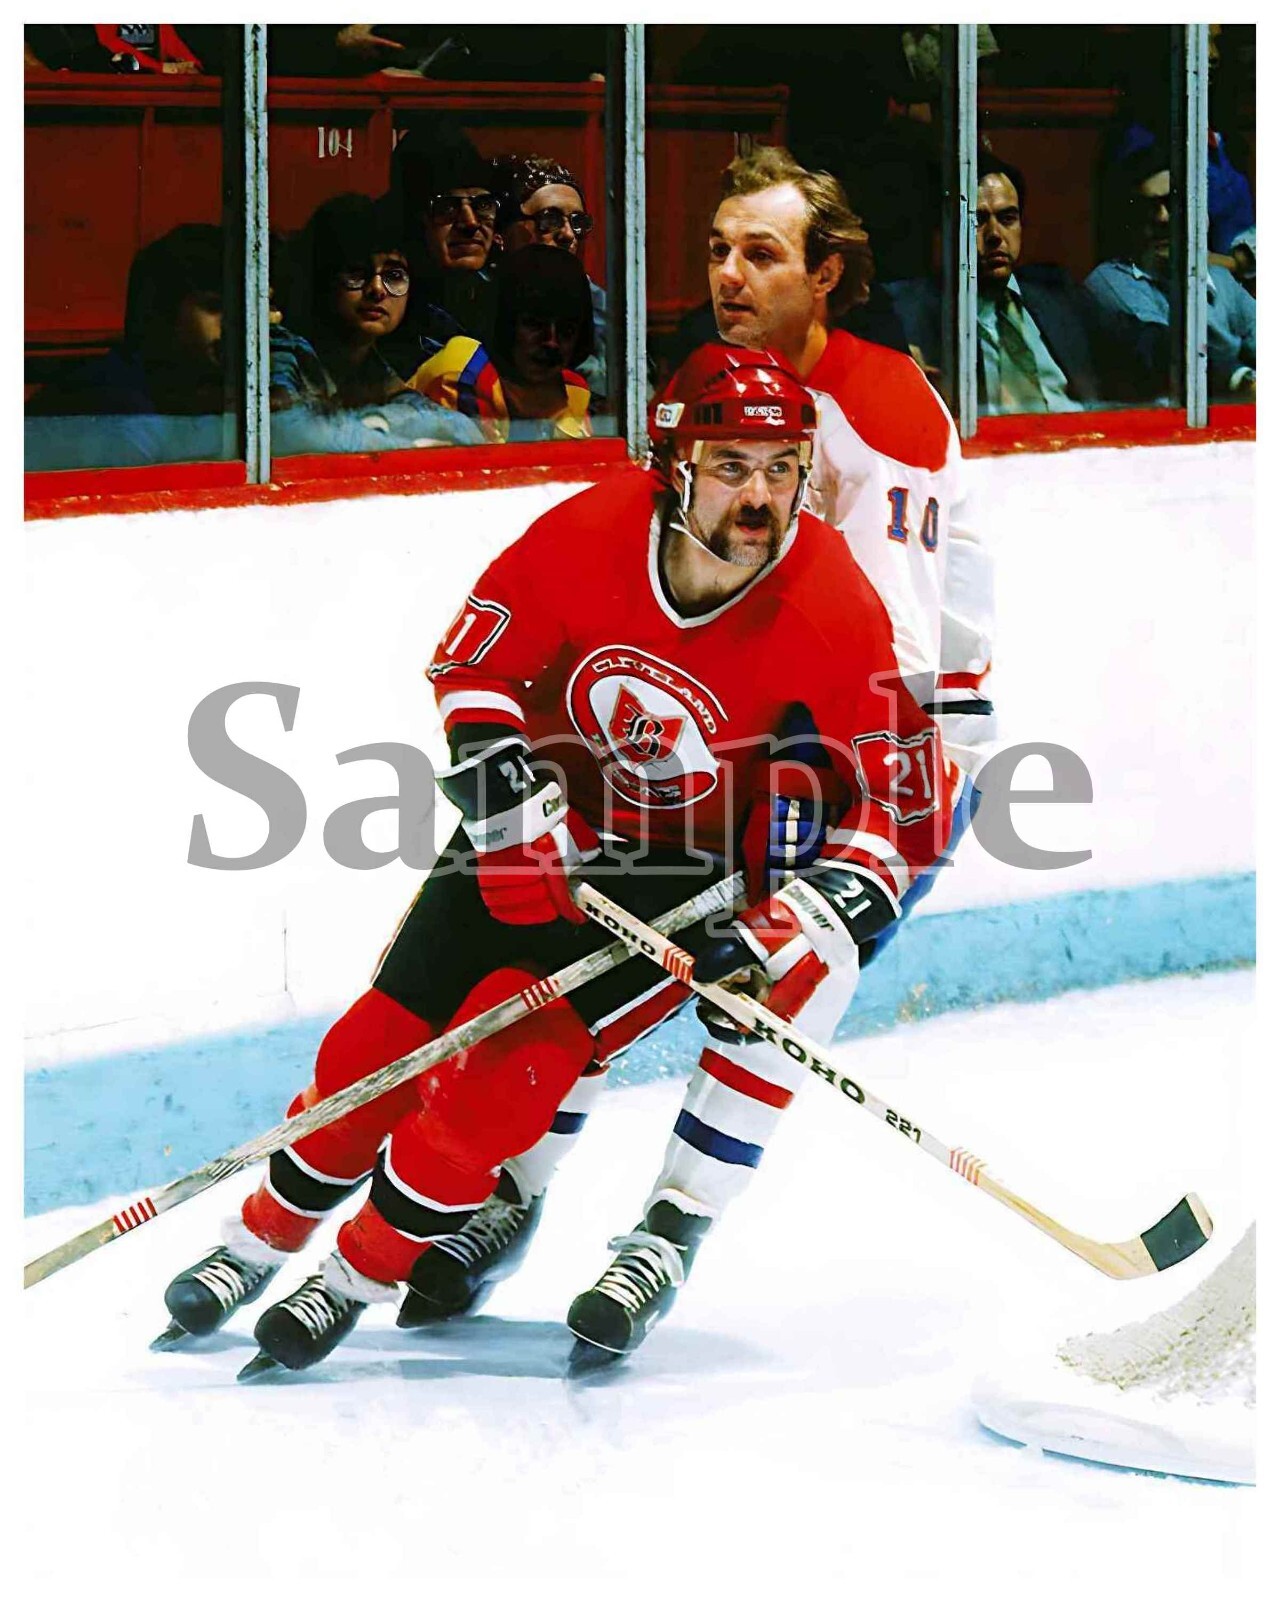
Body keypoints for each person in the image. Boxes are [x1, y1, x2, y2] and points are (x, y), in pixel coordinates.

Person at [155, 346, 949, 1372]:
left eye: (781, 467)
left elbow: (905, 798)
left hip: (678, 875)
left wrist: (787, 917)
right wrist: (502, 800)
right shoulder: (589, 531)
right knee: (368, 1055)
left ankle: (354, 1273)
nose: (759, 496)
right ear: (673, 463)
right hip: (533, 827)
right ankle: (253, 1241)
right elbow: (471, 661)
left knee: (505, 1086)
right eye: (730, 465)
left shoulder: (831, 602)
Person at [399, 145, 993, 1331]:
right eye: (717, 247)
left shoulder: (876, 410)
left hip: (881, 746)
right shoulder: (711, 376)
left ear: (826, 275)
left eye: (760, 253)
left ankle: (671, 1223)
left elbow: (877, 681)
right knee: (592, 925)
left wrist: (795, 886)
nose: (727, 271)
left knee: (769, 974)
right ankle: (514, 1186)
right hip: (730, 723)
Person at [885, 153, 1102, 412]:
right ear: (946, 231)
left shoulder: (1057, 293)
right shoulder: (909, 307)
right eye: (977, 220)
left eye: (1007, 218)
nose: (995, 235)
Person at [270, 193, 482, 454]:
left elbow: (466, 434)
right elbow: (286, 433)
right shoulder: (281, 349)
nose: (377, 289)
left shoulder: (372, 366)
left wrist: (381, 421)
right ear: (322, 278)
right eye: (357, 273)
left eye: (394, 275)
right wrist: (400, 446)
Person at [25, 223, 228, 470]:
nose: (236, 324)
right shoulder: (122, 413)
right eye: (215, 307)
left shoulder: (186, 388)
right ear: (162, 313)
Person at [1083, 146, 1256, 402]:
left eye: (1172, 203)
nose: (1163, 218)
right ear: (1129, 219)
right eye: (1148, 207)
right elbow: (1173, 358)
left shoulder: (1218, 277)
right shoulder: (1111, 283)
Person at [408, 246, 594, 442]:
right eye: (535, 324)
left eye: (567, 331)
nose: (552, 342)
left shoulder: (574, 391)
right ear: (505, 323)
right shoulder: (466, 372)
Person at [489, 153, 609, 403]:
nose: (568, 234)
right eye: (549, 219)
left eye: (578, 222)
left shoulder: (605, 308)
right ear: (502, 231)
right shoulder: (480, 298)